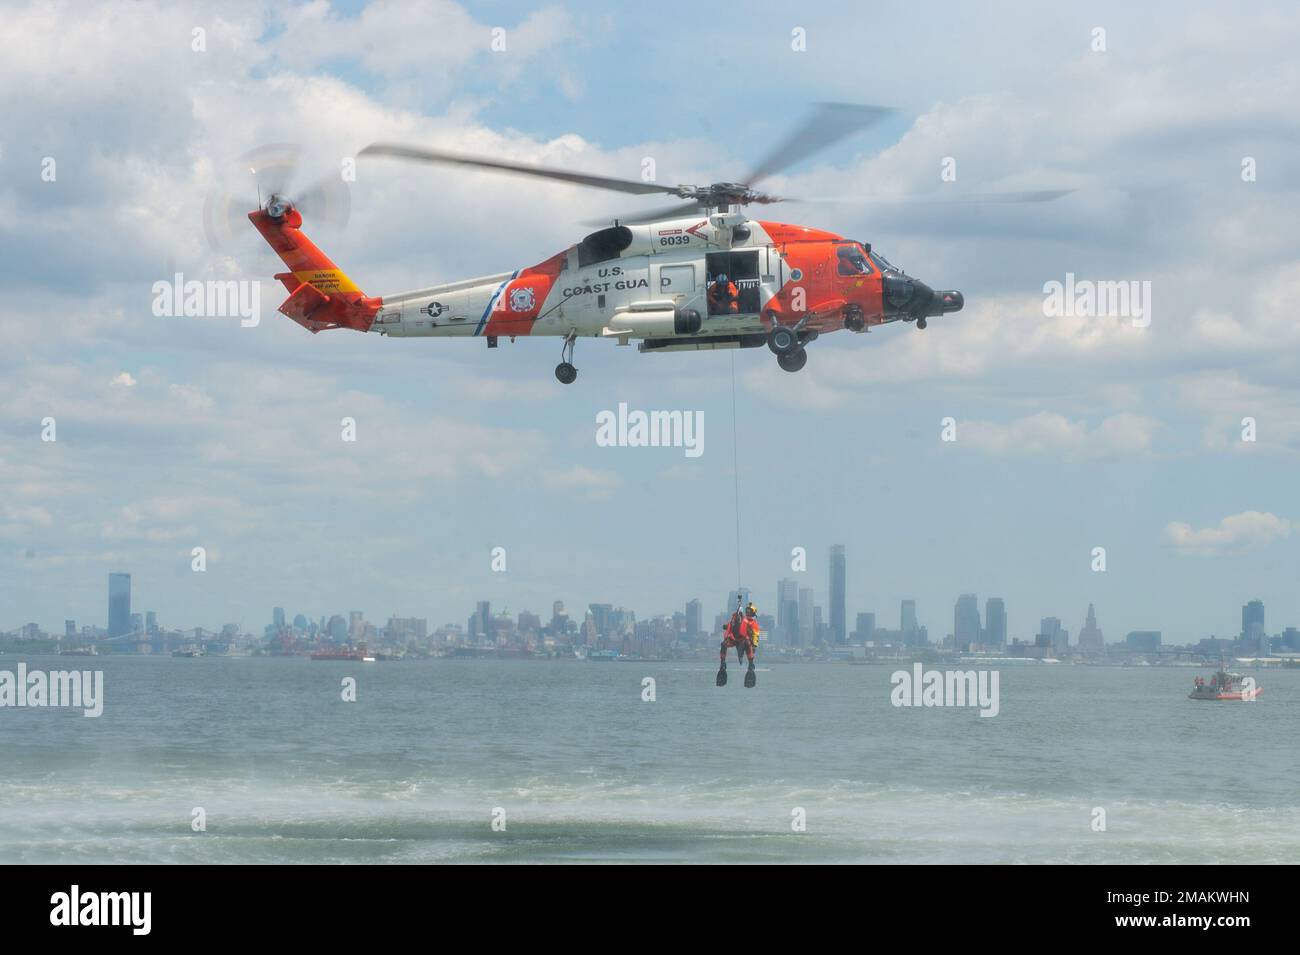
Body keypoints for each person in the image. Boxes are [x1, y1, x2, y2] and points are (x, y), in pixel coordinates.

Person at [719, 602, 761, 672]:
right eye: (747, 610)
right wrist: (726, 626)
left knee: (748, 644)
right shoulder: (737, 618)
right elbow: (731, 625)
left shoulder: (753, 623)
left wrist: (754, 644)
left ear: (752, 613)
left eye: (749, 611)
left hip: (744, 641)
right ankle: (722, 662)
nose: (748, 612)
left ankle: (751, 663)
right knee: (723, 644)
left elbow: (756, 635)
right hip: (733, 639)